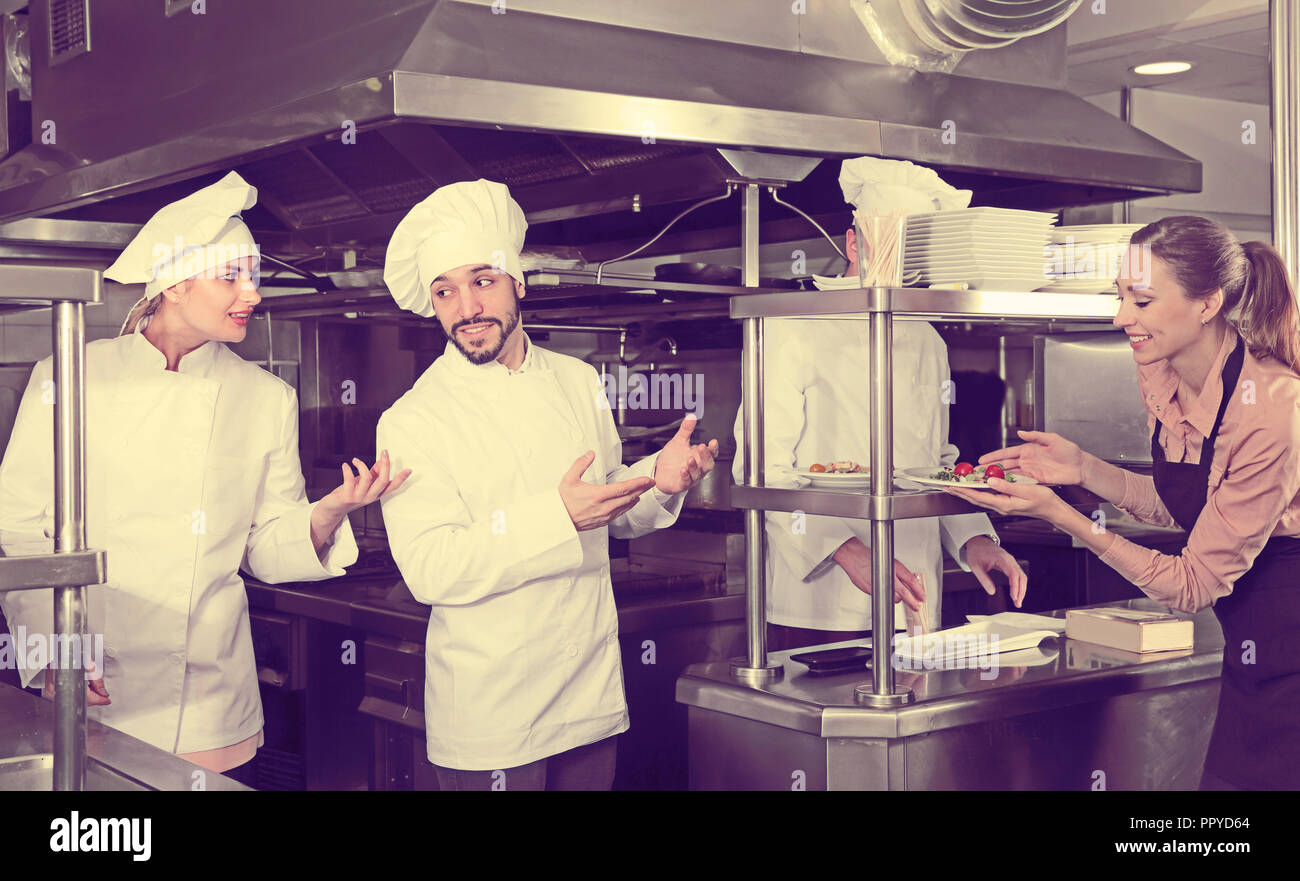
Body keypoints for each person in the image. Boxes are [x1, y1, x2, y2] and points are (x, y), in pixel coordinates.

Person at [0, 172, 406, 782]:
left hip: (213, 701)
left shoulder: (265, 397)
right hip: (93, 681)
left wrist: (326, 514)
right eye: (232, 277)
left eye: (255, 277)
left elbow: (265, 546)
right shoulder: (70, 375)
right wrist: (53, 648)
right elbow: (21, 527)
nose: (253, 294)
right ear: (174, 284)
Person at [377, 178, 718, 791]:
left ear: (519, 283)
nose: (466, 308)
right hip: (490, 713)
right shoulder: (412, 418)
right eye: (445, 291)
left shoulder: (578, 379)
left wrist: (656, 481)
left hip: (585, 692)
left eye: (482, 281)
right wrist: (557, 517)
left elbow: (606, 500)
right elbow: (431, 569)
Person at [949, 215, 1300, 791]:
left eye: (1141, 301)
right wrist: (1082, 468)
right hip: (1255, 642)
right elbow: (1180, 505)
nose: (1121, 319)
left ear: (1207, 304)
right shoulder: (1161, 368)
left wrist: (1062, 515)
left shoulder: (1270, 410)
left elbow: (1192, 585)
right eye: (1120, 297)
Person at [732, 160, 1026, 652]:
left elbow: (936, 465)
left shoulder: (929, 339)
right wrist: (847, 551)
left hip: (916, 593)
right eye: (891, 243)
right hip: (820, 602)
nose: (903, 262)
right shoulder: (790, 329)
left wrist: (976, 539)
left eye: (916, 250)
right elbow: (760, 470)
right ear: (853, 244)